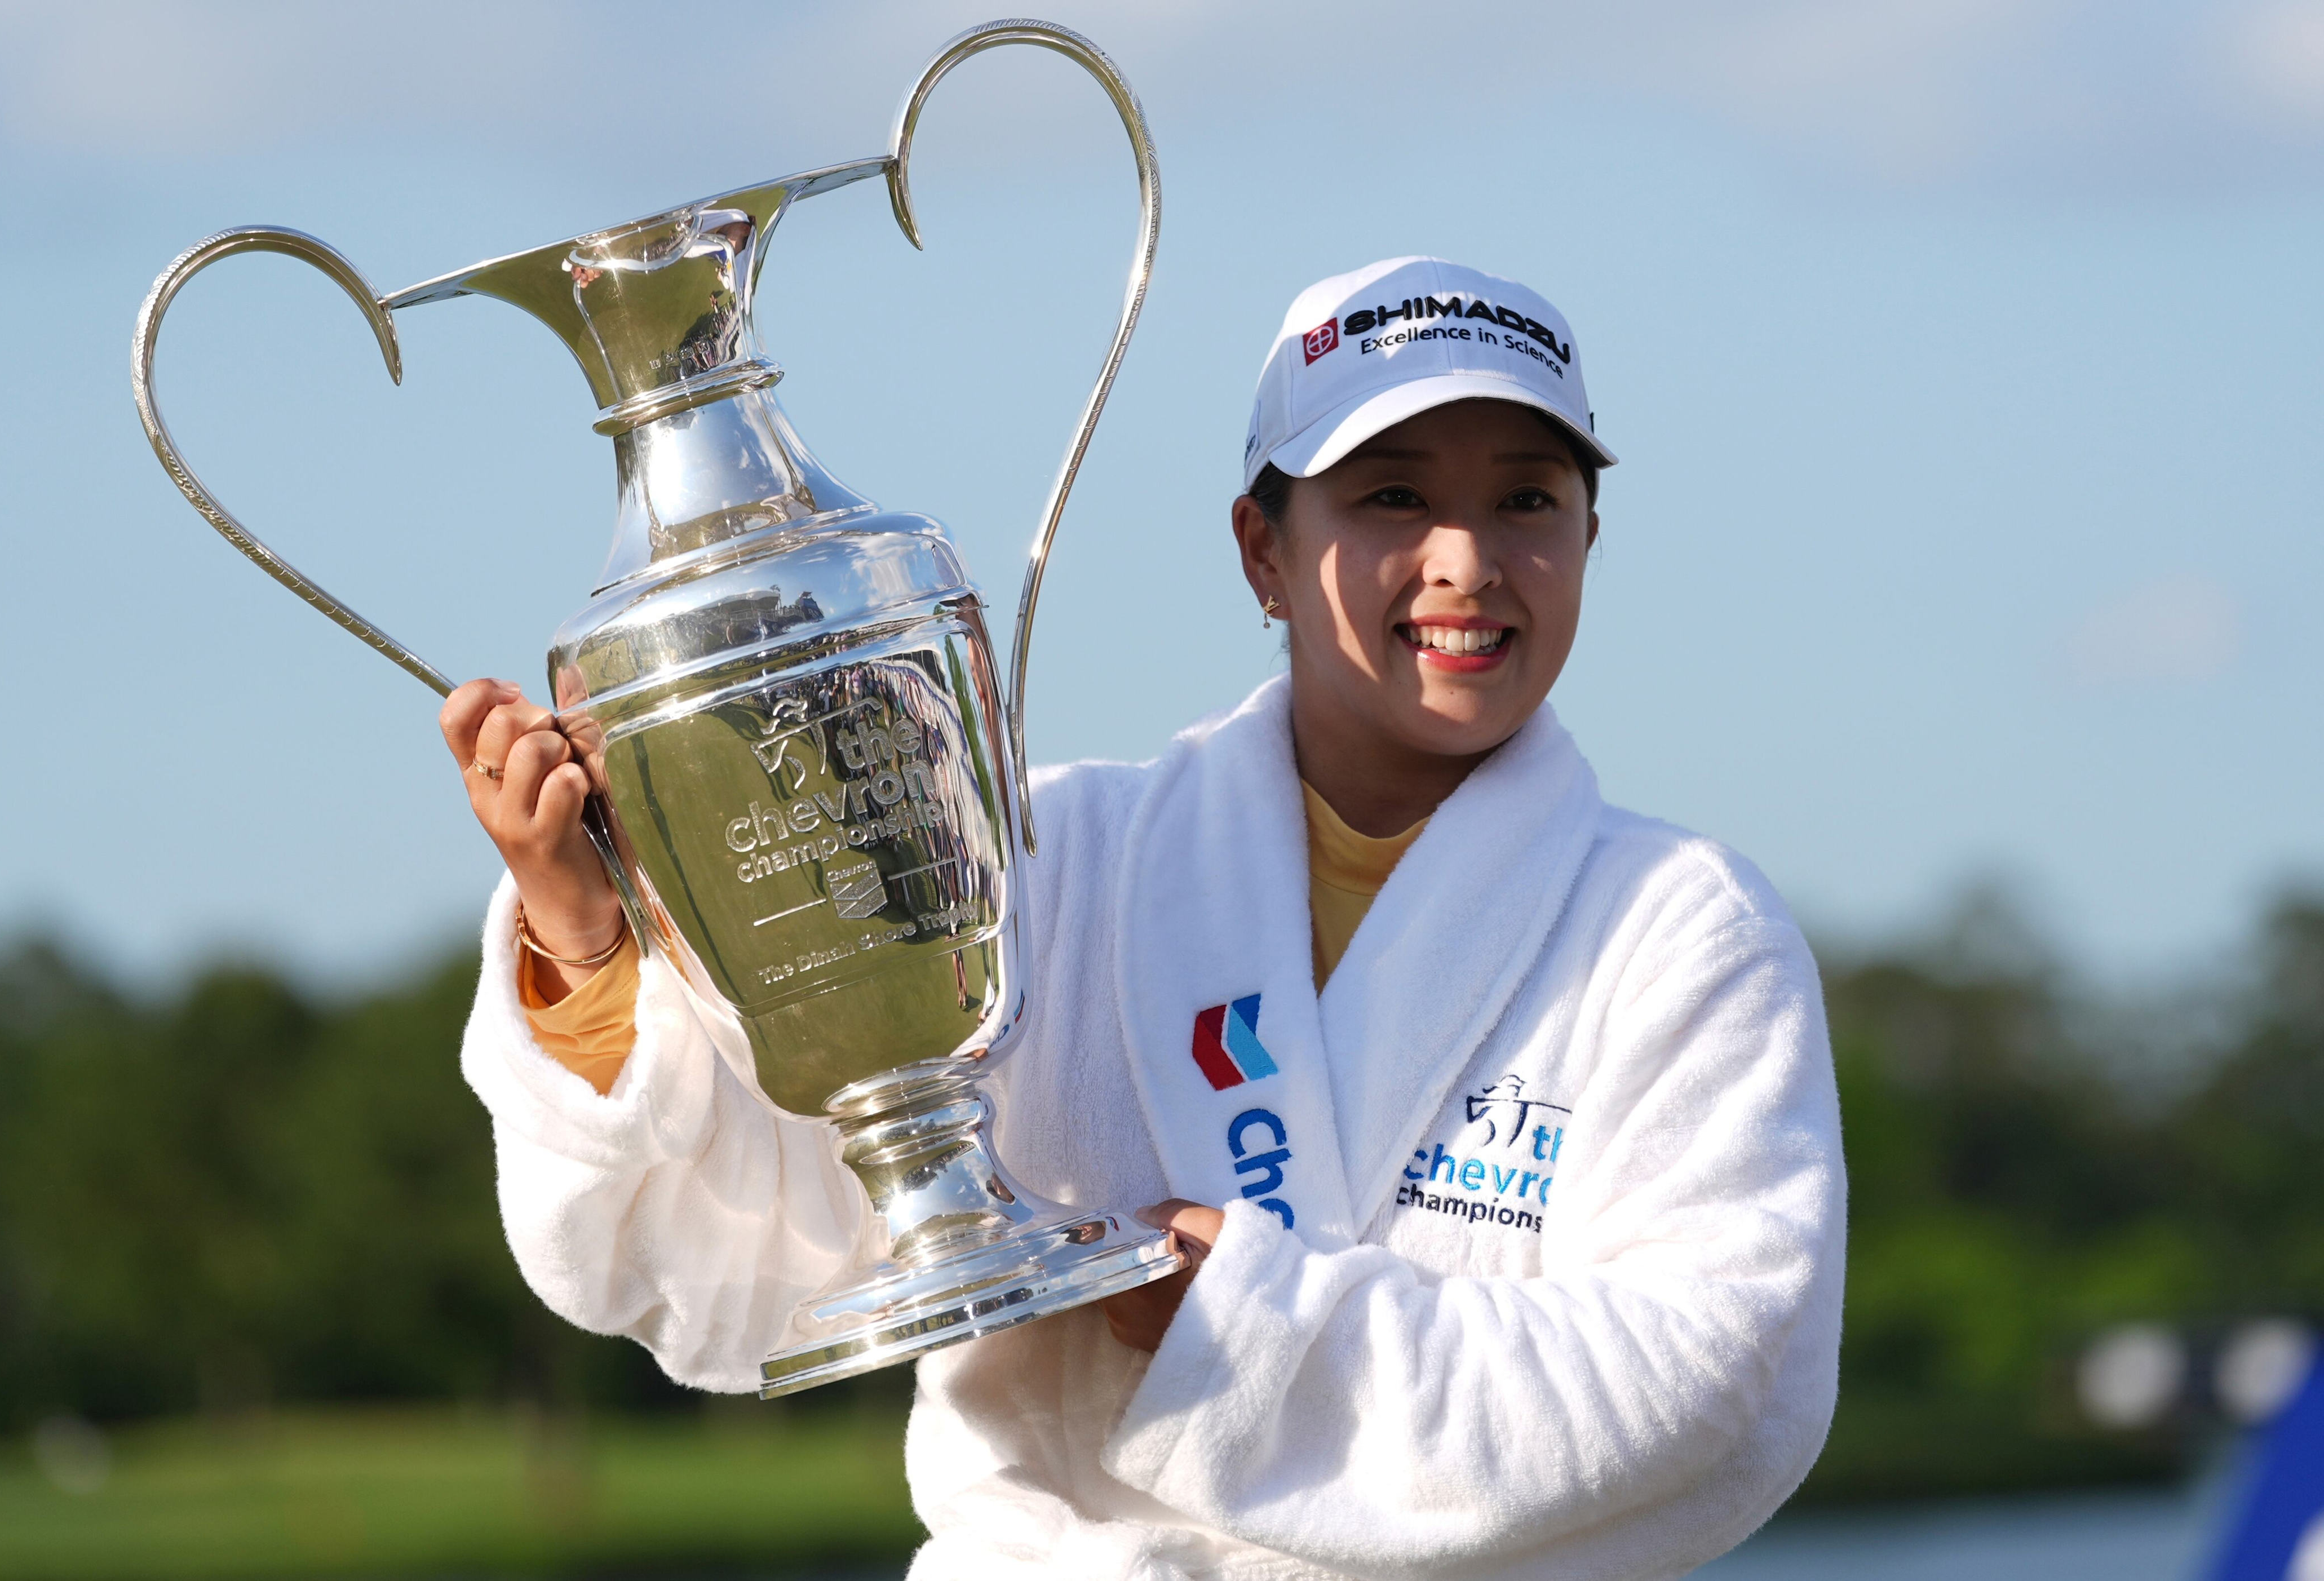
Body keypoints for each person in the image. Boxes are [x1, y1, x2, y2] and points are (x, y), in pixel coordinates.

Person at [441, 255, 1845, 1580]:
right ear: (1263, 552)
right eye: (1392, 496)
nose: (1466, 559)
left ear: (1590, 535)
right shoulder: (1038, 863)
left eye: (1527, 499)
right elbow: (719, 1268)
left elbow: (1715, 1377)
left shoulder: (1678, 929)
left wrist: (1249, 1327)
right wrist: (589, 946)